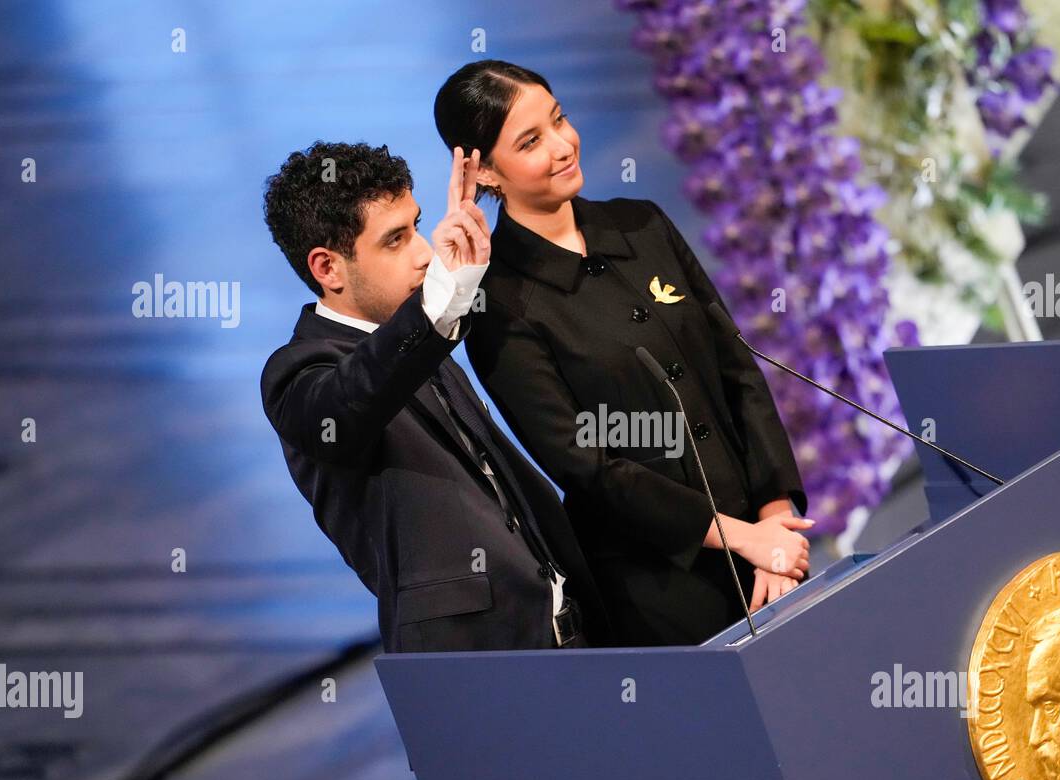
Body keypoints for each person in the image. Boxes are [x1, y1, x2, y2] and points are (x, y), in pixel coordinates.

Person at [434, 61, 813, 648]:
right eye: (531, 141)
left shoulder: (643, 224)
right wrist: (738, 536)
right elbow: (587, 465)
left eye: (559, 120)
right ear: (482, 170)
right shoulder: (498, 306)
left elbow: (737, 368)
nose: (562, 146)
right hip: (662, 586)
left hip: (775, 553)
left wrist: (772, 516)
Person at [260, 140, 610, 652]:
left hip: (560, 638)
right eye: (395, 240)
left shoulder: (425, 346)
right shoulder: (298, 374)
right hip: (474, 667)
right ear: (328, 268)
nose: (425, 252)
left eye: (417, 226)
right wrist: (440, 303)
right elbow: (358, 394)